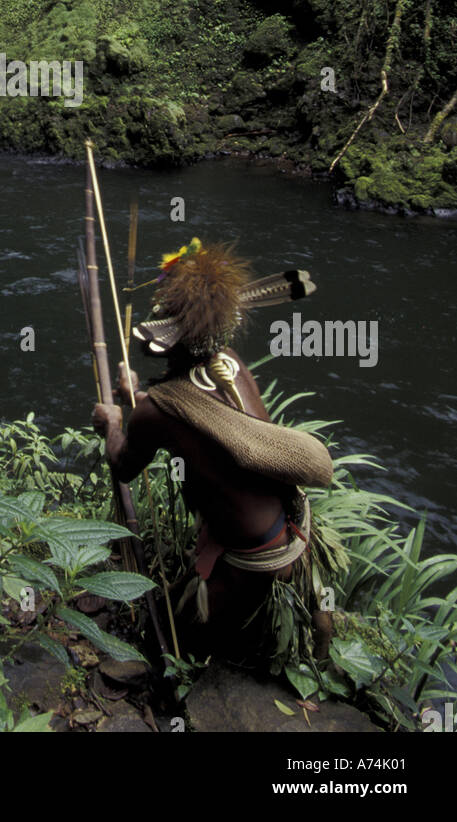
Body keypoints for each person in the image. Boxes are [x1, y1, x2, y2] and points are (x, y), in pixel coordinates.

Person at [92, 239, 341, 669]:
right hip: (296, 527)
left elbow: (124, 465)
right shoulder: (229, 364)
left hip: (254, 561)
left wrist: (113, 424)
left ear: (167, 338)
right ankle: (312, 628)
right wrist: (140, 399)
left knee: (172, 645)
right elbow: (199, 417)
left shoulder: (156, 412)